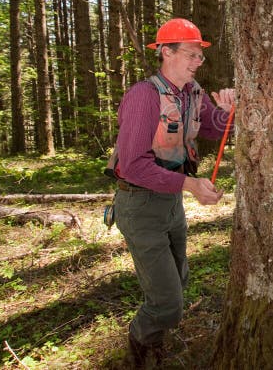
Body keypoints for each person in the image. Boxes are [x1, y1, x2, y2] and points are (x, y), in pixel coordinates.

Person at [110, 18, 234, 367]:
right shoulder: (143, 96)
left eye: (200, 57)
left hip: (171, 202)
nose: (198, 63)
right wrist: (192, 185)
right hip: (139, 204)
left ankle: (155, 334)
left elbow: (213, 127)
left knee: (177, 279)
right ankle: (141, 339)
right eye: (192, 55)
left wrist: (227, 111)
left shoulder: (191, 94)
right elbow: (133, 165)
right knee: (168, 300)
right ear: (166, 52)